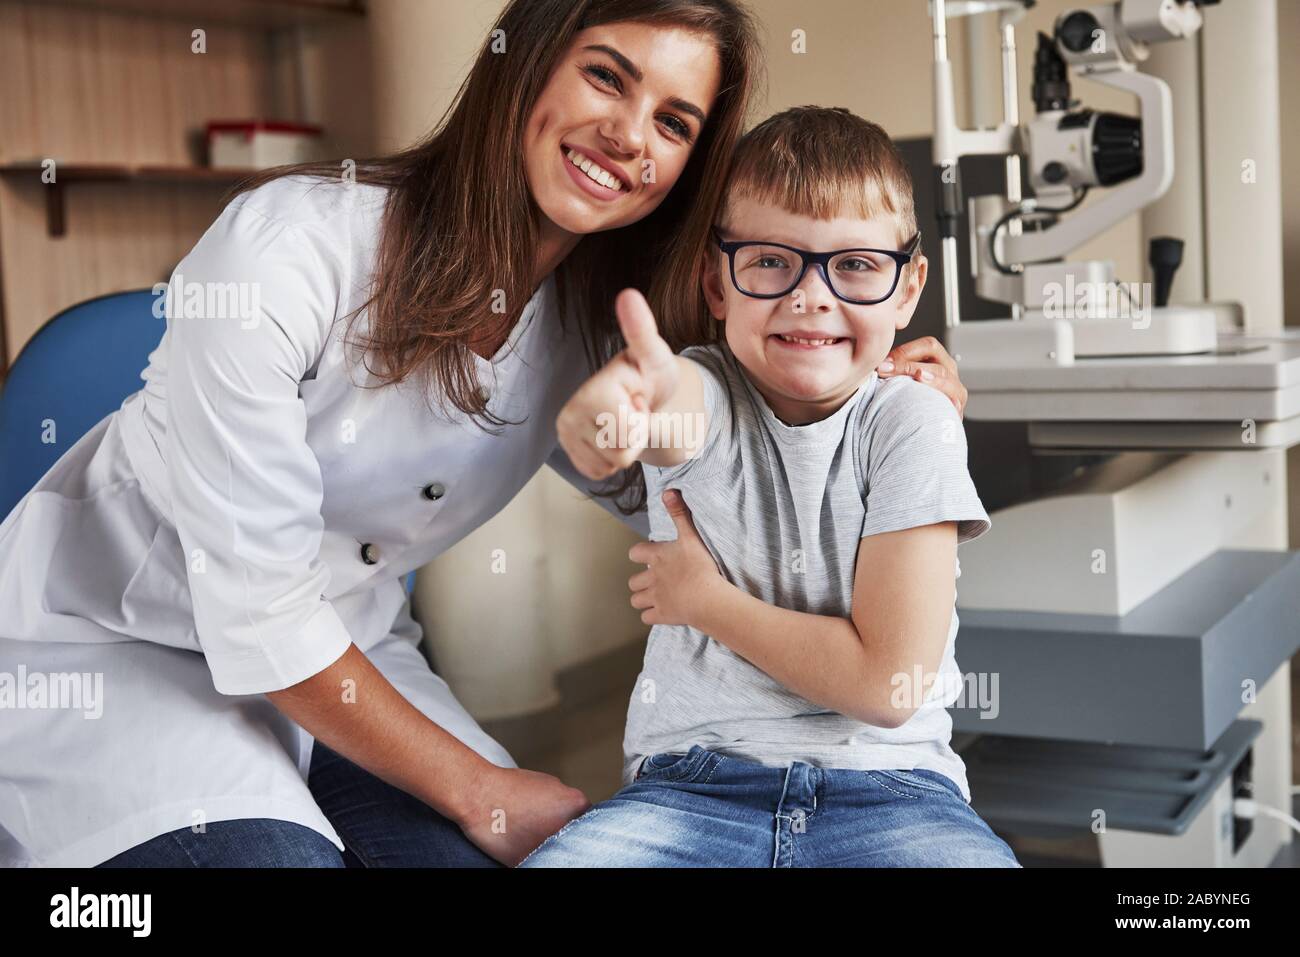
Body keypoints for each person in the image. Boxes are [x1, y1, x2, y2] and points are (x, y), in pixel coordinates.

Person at [0, 3, 967, 869]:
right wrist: (478, 787)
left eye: (674, 122)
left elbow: (706, 495)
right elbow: (256, 613)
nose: (630, 136)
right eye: (605, 74)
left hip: (355, 657)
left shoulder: (592, 321)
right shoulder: (286, 248)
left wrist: (859, 394)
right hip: (124, 653)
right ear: (530, 60)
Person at [531, 106, 1018, 867]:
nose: (810, 296)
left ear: (907, 286)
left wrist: (705, 603)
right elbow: (670, 407)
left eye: (854, 264)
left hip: (891, 792)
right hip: (689, 789)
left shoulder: (913, 422)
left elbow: (889, 683)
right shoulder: (708, 390)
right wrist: (617, 410)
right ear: (717, 283)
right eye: (769, 260)